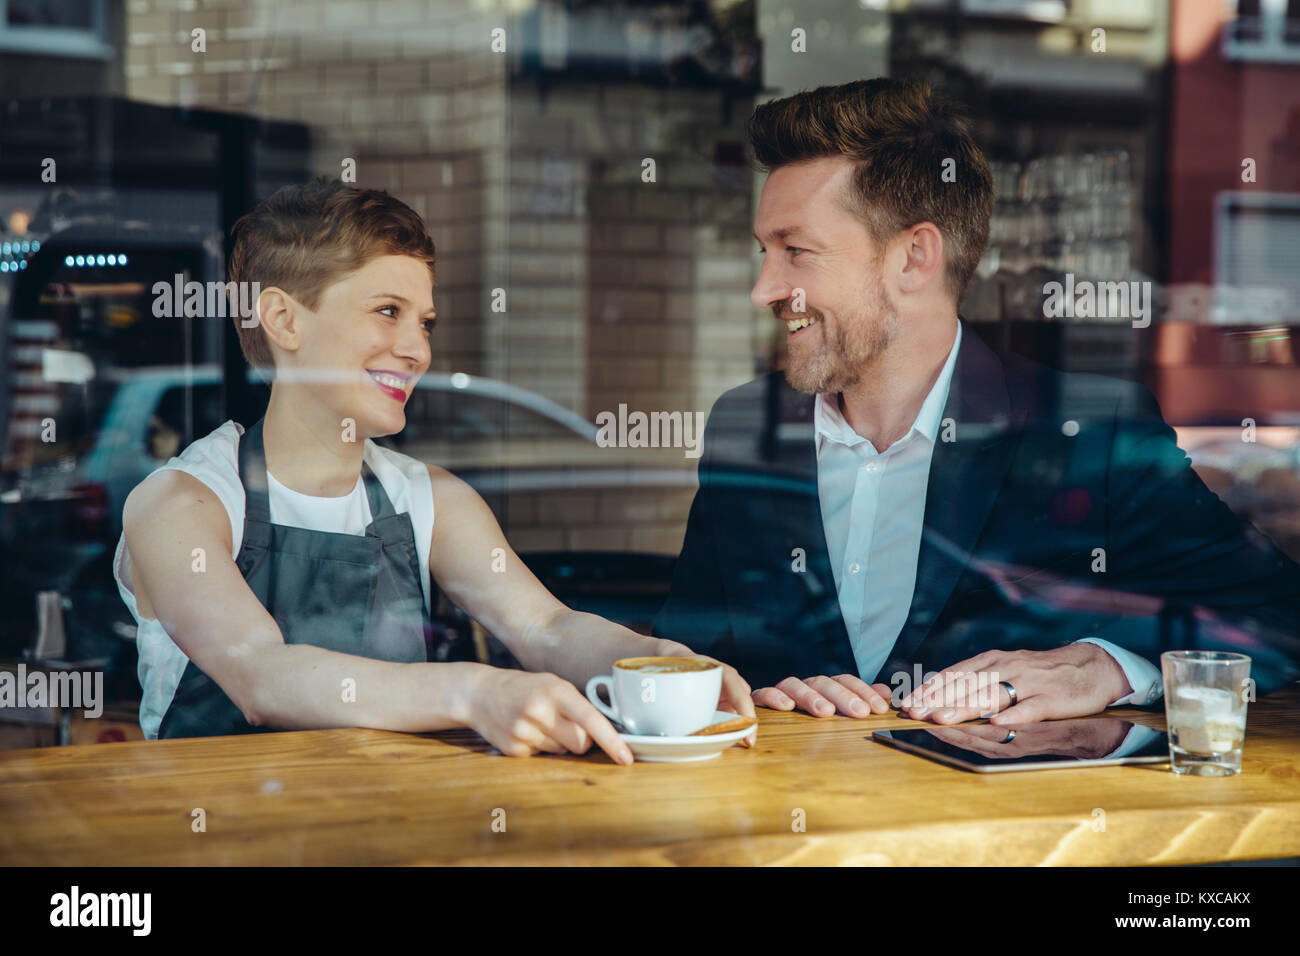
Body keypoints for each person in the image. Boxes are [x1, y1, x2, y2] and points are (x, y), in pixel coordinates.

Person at [653, 79, 1300, 734]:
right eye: (765, 252)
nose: (765, 287)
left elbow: (1279, 617)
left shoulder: (1090, 438)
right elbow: (680, 658)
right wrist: (750, 690)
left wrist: (1101, 668)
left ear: (914, 257)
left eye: (796, 251)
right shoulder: (744, 425)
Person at [114, 179, 753, 763]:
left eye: (425, 322)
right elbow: (260, 674)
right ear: (283, 319)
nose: (418, 349)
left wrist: (660, 661)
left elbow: (545, 626)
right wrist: (475, 692)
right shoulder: (180, 504)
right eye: (387, 311)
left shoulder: (430, 499)